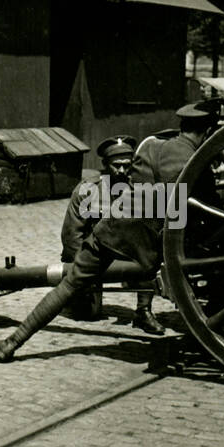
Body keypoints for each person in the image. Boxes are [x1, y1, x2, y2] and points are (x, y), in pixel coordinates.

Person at [0, 101, 221, 362]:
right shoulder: (188, 158)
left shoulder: (158, 144)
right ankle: (219, 334)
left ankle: (11, 342)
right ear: (209, 131)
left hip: (108, 232)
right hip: (145, 247)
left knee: (69, 285)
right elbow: (182, 207)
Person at [61, 135, 164, 334]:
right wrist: (83, 268)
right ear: (105, 164)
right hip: (92, 254)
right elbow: (71, 236)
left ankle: (143, 312)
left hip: (123, 252)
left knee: (147, 258)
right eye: (117, 165)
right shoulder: (87, 190)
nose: (123, 171)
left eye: (127, 165)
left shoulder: (138, 188)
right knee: (88, 314)